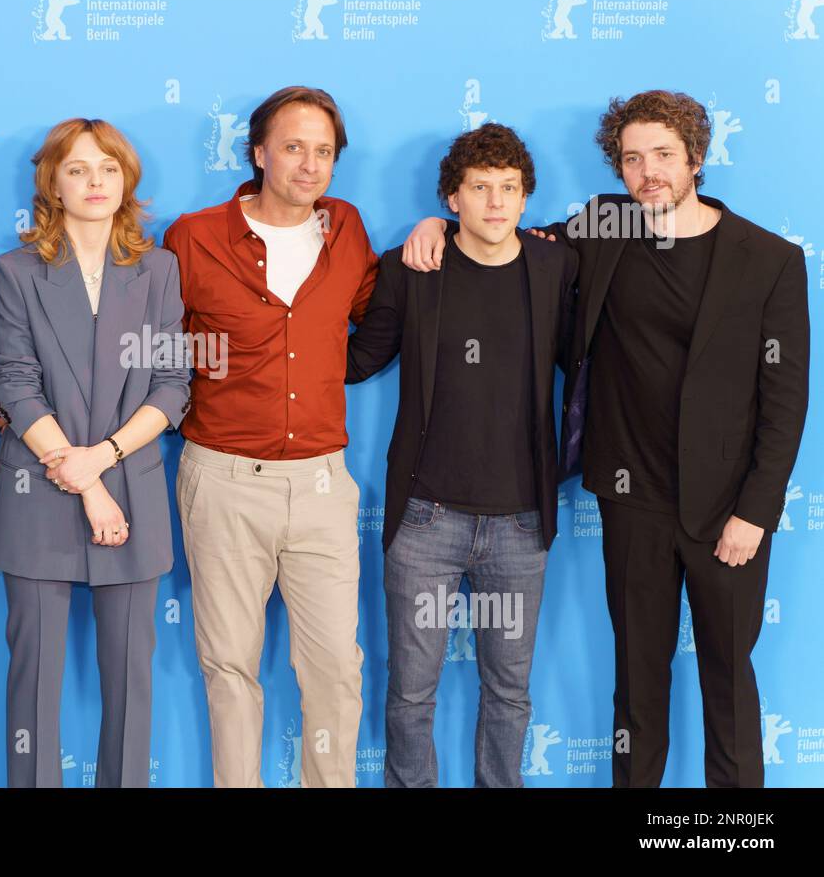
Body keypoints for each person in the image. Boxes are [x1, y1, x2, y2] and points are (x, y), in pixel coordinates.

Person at [400, 90, 809, 787]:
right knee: (636, 685)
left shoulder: (768, 259)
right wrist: (437, 225)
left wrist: (755, 512)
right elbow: (503, 236)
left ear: (696, 159)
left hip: (727, 509)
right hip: (633, 501)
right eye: (631, 159)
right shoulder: (603, 228)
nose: (648, 172)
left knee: (729, 682)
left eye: (663, 156)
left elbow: (786, 399)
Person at [346, 124, 577, 786]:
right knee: (411, 695)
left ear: (526, 198)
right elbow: (361, 362)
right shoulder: (412, 267)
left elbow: (623, 218)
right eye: (480, 188)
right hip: (427, 519)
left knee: (509, 695)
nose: (496, 203)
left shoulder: (556, 265)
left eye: (509, 189)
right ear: (454, 198)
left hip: (521, 522)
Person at [163, 86, 379, 787]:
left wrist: (438, 230)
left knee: (335, 671)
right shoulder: (193, 237)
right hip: (222, 480)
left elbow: (391, 308)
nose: (309, 164)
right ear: (258, 153)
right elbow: (146, 341)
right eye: (293, 147)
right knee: (229, 669)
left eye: (323, 152)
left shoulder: (347, 229)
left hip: (321, 483)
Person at [0, 118, 189, 787]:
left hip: (132, 492)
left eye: (106, 167)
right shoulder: (14, 271)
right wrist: (87, 477)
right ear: (52, 183)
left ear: (127, 177)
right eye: (77, 169)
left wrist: (102, 460)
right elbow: (13, 381)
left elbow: (172, 384)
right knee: (32, 688)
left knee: (131, 688)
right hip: (38, 493)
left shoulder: (159, 270)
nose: (94, 181)